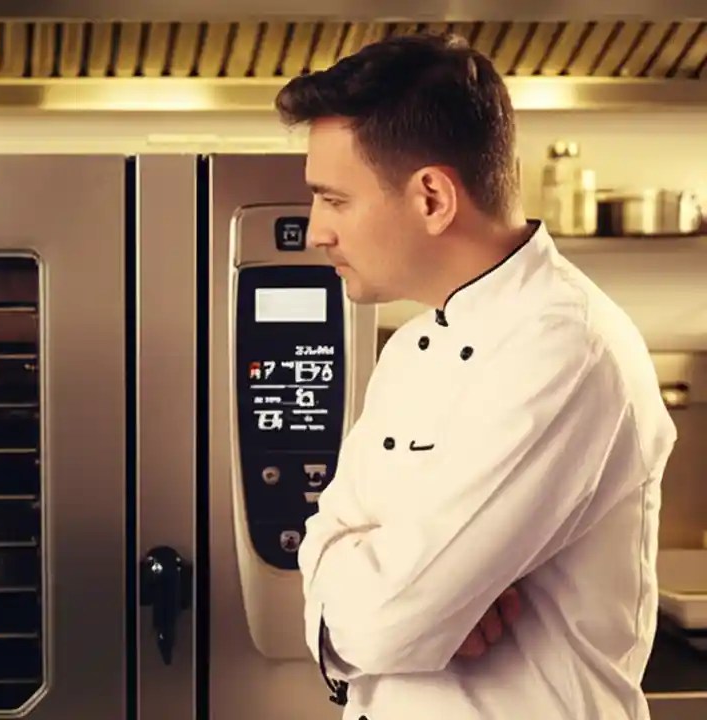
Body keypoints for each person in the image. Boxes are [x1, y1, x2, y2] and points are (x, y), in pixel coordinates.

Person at [277, 32, 679, 719]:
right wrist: (400, 602)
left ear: (432, 197)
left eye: (334, 200)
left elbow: (385, 620)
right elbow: (323, 542)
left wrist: (394, 606)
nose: (316, 232)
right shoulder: (406, 348)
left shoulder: (565, 349)